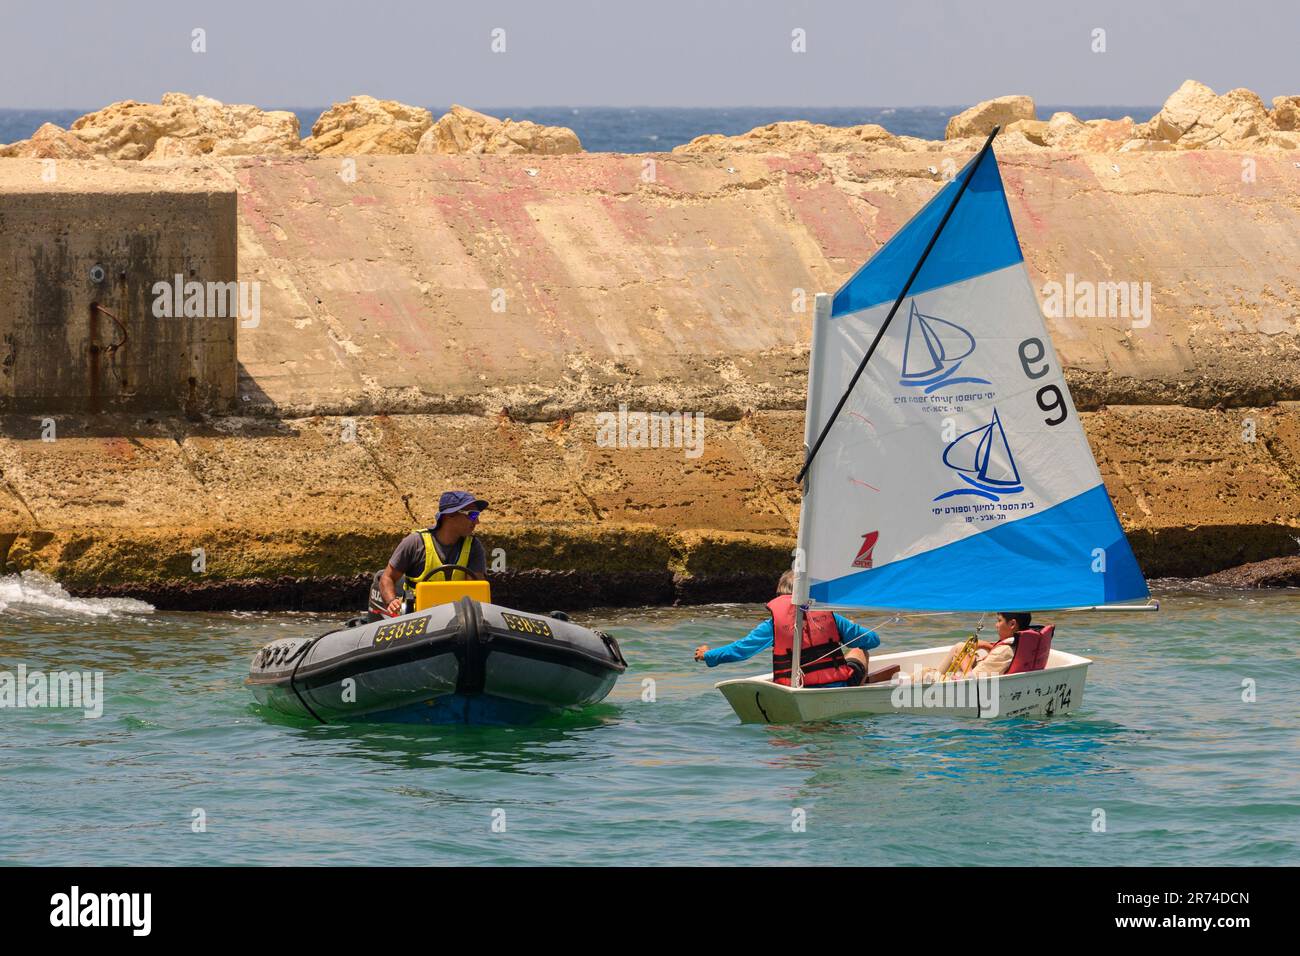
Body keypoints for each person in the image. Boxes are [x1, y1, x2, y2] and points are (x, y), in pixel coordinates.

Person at [693, 570, 880, 687]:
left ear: (780, 595)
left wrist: (708, 655)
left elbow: (741, 650)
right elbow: (872, 641)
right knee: (859, 649)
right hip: (835, 685)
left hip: (794, 687)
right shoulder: (831, 617)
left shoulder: (772, 625)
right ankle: (853, 692)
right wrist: (850, 628)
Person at [368, 491, 489, 619]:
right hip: (417, 618)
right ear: (450, 515)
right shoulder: (414, 543)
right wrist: (392, 601)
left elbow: (475, 591)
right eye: (472, 515)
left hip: (458, 619)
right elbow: (387, 578)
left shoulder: (474, 547)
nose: (477, 522)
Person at [930, 611, 1032, 680]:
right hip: (980, 675)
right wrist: (987, 646)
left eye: (999, 621)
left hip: (967, 685)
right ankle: (937, 676)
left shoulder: (1004, 651)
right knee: (960, 646)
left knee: (922, 674)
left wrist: (964, 658)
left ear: (1012, 624)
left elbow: (971, 680)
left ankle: (934, 679)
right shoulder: (1020, 644)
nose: (996, 625)